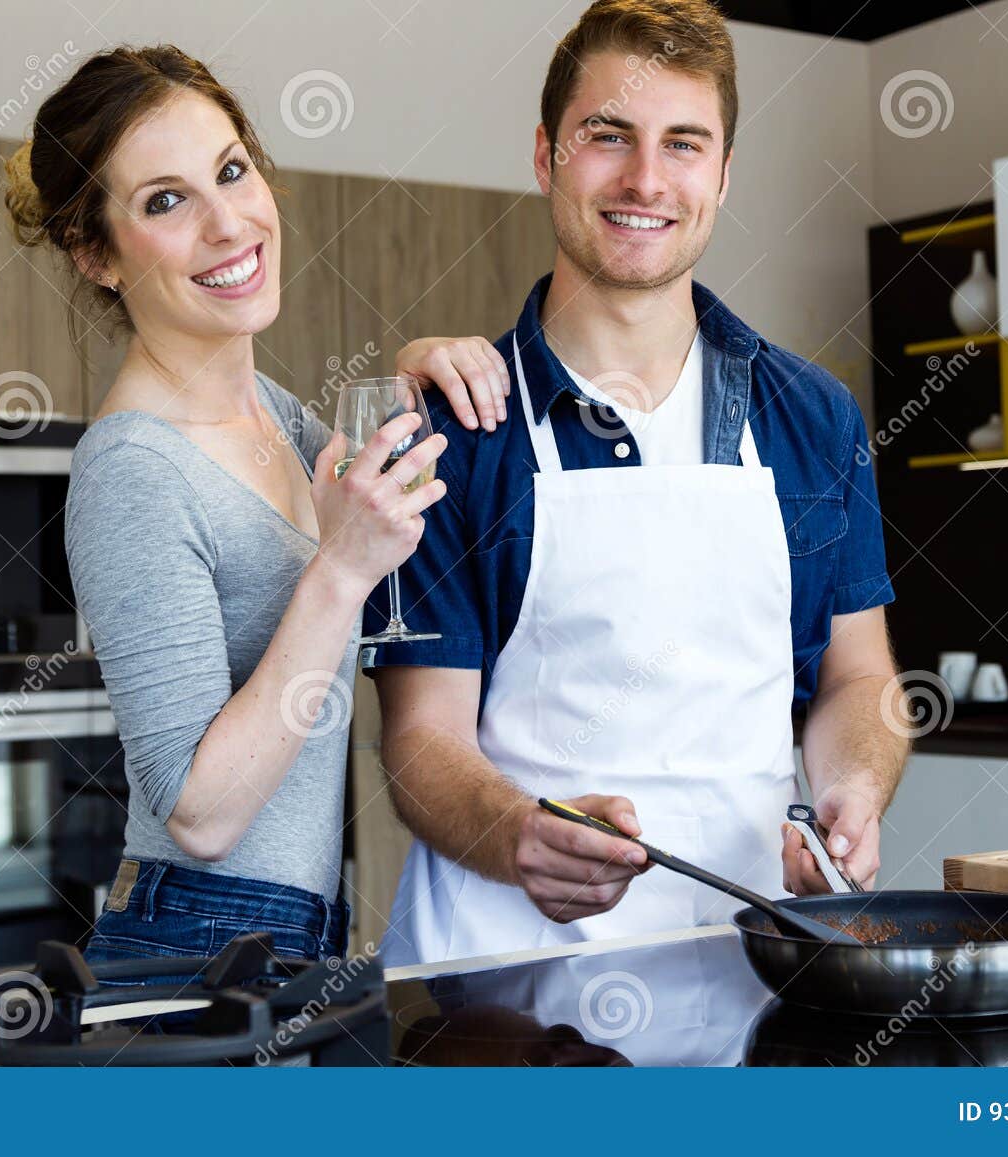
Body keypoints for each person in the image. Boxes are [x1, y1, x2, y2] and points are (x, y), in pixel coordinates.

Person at [366, 0, 909, 968]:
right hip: (504, 981)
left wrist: (854, 788)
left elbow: (859, 677)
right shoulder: (452, 426)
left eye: (684, 144)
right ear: (546, 156)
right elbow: (418, 734)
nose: (646, 179)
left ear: (723, 173)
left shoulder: (812, 417)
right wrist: (513, 830)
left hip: (754, 965)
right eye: (606, 137)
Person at [3, 44, 509, 974]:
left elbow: (375, 506)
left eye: (231, 171)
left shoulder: (275, 414)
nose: (229, 222)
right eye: (165, 201)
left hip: (284, 930)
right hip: (194, 937)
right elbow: (200, 811)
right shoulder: (132, 468)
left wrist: (422, 369)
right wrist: (343, 569)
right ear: (95, 254)